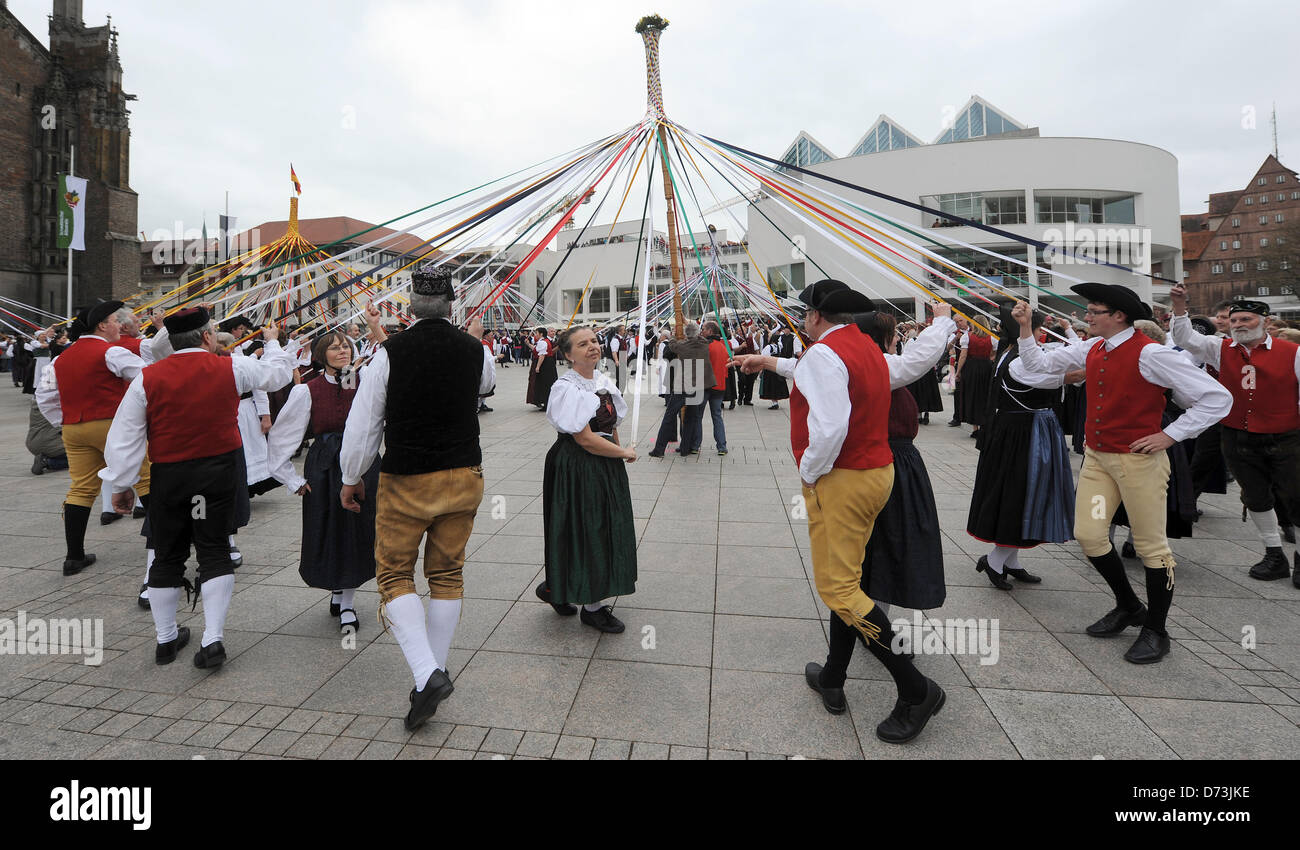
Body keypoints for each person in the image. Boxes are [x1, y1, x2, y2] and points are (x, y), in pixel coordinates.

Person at [732, 280, 945, 743]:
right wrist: (769, 361)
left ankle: (915, 688)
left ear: (814, 317)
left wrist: (809, 472)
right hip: (877, 473)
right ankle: (834, 675)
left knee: (840, 590)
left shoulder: (826, 355)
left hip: (843, 478)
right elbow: (818, 369)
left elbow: (829, 426)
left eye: (805, 312)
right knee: (853, 580)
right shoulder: (863, 347)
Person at [1012, 284, 1231, 664]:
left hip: (1138, 463)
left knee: (1151, 548)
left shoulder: (1152, 353)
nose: (1087, 316)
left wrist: (1169, 434)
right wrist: (1026, 327)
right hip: (1099, 459)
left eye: (1094, 311)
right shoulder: (1093, 348)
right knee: (1090, 535)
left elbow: (1217, 398)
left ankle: (1157, 630)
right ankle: (1129, 605)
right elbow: (1035, 366)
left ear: (1118, 316)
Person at [338, 265, 496, 731]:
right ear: (451, 306)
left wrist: (351, 475)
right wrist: (472, 341)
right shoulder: (474, 349)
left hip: (408, 477)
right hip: (464, 473)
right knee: (447, 572)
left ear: (410, 307)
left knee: (393, 575)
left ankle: (428, 673)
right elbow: (486, 386)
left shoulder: (389, 354)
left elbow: (365, 422)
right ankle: (433, 673)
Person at [100, 308, 295, 668]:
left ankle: (165, 639)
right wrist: (272, 344)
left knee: (167, 551)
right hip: (216, 474)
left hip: (171, 476)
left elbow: (125, 436)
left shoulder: (147, 378)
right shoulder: (231, 367)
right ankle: (213, 638)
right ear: (207, 337)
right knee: (214, 548)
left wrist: (122, 482)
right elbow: (279, 375)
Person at [810, 304, 956, 707]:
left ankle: (845, 674)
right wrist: (941, 319)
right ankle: (836, 674)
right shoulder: (876, 367)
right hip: (887, 472)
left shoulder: (873, 366)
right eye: (894, 339)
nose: (898, 346)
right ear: (886, 341)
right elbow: (921, 356)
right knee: (852, 580)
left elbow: (916, 358)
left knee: (851, 581)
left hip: (881, 474)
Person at [1168, 285, 1300, 586]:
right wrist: (1179, 306)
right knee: (1255, 496)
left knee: (1296, 498)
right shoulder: (1221, 348)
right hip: (1238, 435)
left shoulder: (1293, 352)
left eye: (1247, 320)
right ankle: (1273, 554)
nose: (1239, 325)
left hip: (1286, 437)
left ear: (1265, 322)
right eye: (1235, 320)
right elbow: (1185, 339)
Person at [268, 308, 388, 633]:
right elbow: (281, 438)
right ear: (321, 355)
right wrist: (291, 479)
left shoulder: (365, 381)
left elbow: (391, 360)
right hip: (324, 466)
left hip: (362, 464)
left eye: (346, 345)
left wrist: (375, 326)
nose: (342, 351)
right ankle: (338, 590)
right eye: (335, 347)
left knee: (357, 530)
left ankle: (346, 602)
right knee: (330, 529)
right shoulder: (306, 391)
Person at [535, 326, 637, 632]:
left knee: (603, 524)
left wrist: (618, 450)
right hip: (578, 465)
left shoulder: (603, 381)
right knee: (587, 526)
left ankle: (558, 586)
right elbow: (585, 439)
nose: (592, 346)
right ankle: (591, 608)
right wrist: (622, 453)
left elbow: (610, 423)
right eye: (582, 344)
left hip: (604, 462)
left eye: (594, 340)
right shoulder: (566, 388)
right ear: (568, 354)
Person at [38, 301, 151, 576]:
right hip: (113, 424)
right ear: (102, 325)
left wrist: (64, 420)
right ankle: (163, 543)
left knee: (80, 488)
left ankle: (74, 556)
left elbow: (44, 396)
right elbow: (148, 379)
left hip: (75, 428)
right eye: (114, 320)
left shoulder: (60, 358)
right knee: (147, 478)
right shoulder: (112, 352)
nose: (119, 325)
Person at [966, 303, 1074, 589]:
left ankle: (1009, 560)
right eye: (1037, 329)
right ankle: (996, 560)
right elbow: (1067, 377)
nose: (1040, 334)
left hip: (1018, 434)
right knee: (1020, 494)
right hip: (1022, 436)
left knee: (1022, 494)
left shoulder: (1010, 353)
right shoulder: (1020, 361)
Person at [648, 322, 714, 458]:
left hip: (682, 387)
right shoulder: (704, 344)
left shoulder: (683, 346)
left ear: (686, 334)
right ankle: (685, 449)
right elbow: (700, 337)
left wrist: (672, 336)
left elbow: (672, 345)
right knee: (691, 418)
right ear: (698, 334)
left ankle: (659, 449)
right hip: (698, 387)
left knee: (669, 417)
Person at [759, 327, 793, 409]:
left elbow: (763, 358)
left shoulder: (768, 347)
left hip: (769, 369)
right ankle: (775, 402)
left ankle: (774, 403)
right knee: (776, 385)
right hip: (777, 368)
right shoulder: (779, 347)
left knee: (771, 386)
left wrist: (761, 370)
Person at [526, 328, 557, 410]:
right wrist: (528, 344)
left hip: (545, 364)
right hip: (548, 363)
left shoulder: (543, 342)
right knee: (544, 383)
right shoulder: (544, 341)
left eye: (537, 333)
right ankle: (543, 402)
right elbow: (536, 349)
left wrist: (538, 366)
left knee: (545, 384)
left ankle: (546, 404)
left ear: (541, 334)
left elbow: (542, 355)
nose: (535, 335)